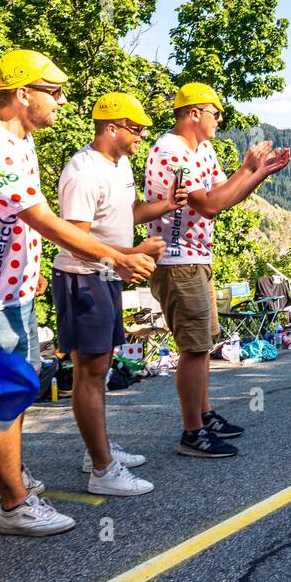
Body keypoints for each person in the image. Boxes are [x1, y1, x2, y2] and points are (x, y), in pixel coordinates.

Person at [0, 51, 156, 536]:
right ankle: (14, 504)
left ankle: (7, 478)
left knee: (19, 386)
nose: (62, 102)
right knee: (3, 395)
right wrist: (118, 257)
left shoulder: (19, 140)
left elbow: (19, 219)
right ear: (22, 94)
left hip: (12, 284)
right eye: (53, 92)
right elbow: (46, 220)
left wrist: (30, 266)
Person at [144, 82, 290, 457]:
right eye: (216, 112)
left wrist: (258, 173)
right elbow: (208, 206)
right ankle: (192, 433)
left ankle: (205, 414)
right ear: (194, 113)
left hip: (198, 258)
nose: (220, 119)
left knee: (203, 345)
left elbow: (226, 196)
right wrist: (248, 168)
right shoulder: (170, 151)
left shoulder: (204, 149)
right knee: (193, 348)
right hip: (177, 261)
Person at [52, 92, 181, 496]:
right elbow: (75, 240)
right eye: (136, 127)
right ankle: (102, 470)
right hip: (83, 278)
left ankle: (99, 450)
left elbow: (129, 213)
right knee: (89, 374)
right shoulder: (83, 171)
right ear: (112, 127)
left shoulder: (119, 164)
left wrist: (166, 206)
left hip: (105, 276)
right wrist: (133, 254)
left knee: (100, 370)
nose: (142, 135)